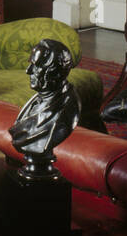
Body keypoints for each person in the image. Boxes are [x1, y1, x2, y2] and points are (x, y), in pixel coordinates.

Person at [8, 39, 80, 180]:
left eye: (36, 66)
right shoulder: (36, 99)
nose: (28, 71)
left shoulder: (67, 108)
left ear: (54, 71)